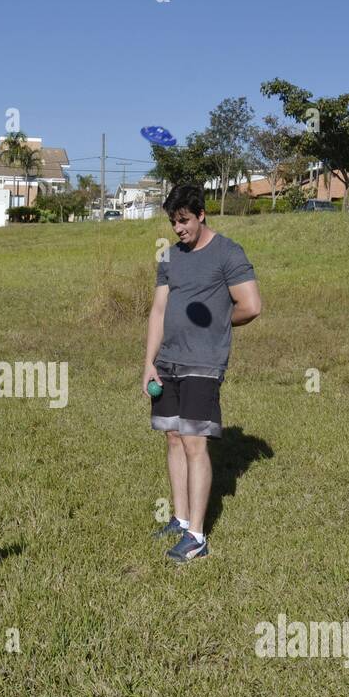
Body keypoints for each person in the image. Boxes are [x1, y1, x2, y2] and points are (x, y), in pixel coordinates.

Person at [142, 185, 261, 563]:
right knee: (174, 437)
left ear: (202, 214)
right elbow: (159, 310)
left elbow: (251, 306)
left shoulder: (228, 252)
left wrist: (218, 327)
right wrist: (149, 362)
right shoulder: (170, 256)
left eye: (184, 221)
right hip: (169, 361)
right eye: (173, 222)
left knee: (195, 441)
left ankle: (197, 535)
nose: (178, 229)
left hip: (203, 363)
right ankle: (179, 519)